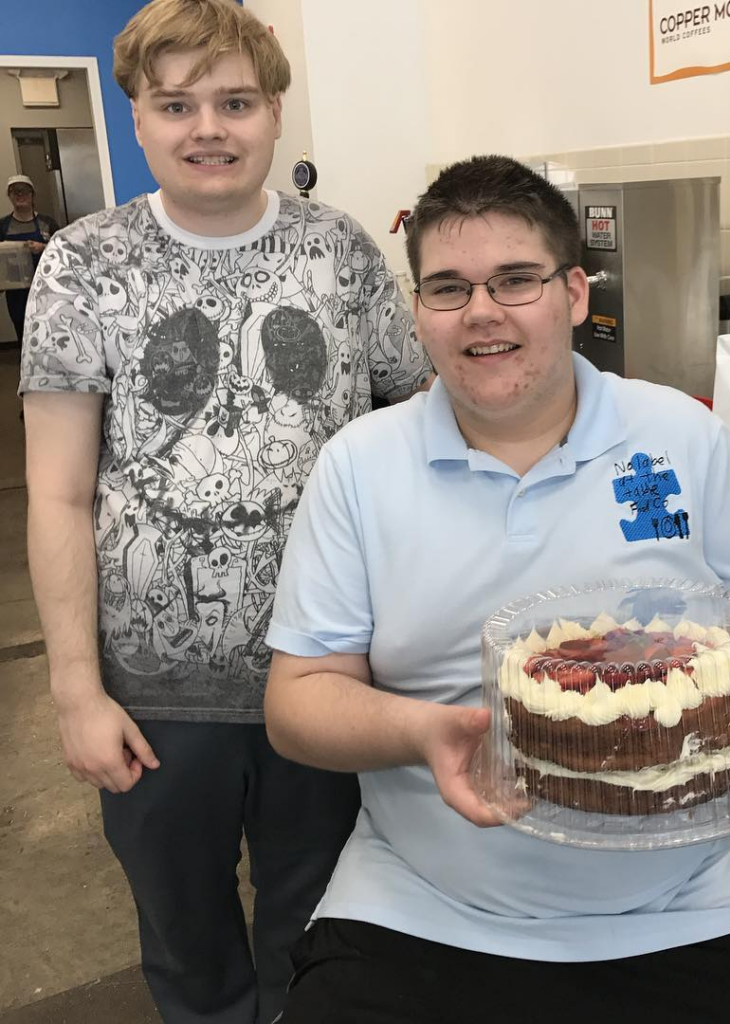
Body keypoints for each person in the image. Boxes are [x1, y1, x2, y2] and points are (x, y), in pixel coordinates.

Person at [263, 155, 730, 1024]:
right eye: (448, 288)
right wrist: (424, 732)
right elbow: (298, 698)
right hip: (424, 904)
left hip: (693, 900)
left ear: (574, 293)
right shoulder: (359, 466)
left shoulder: (683, 437)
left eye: (516, 280)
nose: (482, 312)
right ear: (418, 311)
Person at [20, 2, 431, 1021]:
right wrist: (75, 691)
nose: (208, 127)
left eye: (236, 102)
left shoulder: (340, 255)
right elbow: (58, 493)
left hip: (330, 671)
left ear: (275, 112)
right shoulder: (83, 264)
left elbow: (419, 434)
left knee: (325, 928)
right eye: (177, 105)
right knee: (186, 940)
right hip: (156, 694)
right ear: (138, 118)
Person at [1, 175, 58, 347]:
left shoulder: (47, 223)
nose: (20, 195)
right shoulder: (2, 226)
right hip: (16, 293)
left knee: (49, 332)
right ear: (9, 196)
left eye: (24, 191)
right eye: (15, 191)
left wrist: (44, 247)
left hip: (46, 289)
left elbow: (64, 250)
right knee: (23, 333)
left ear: (32, 195)